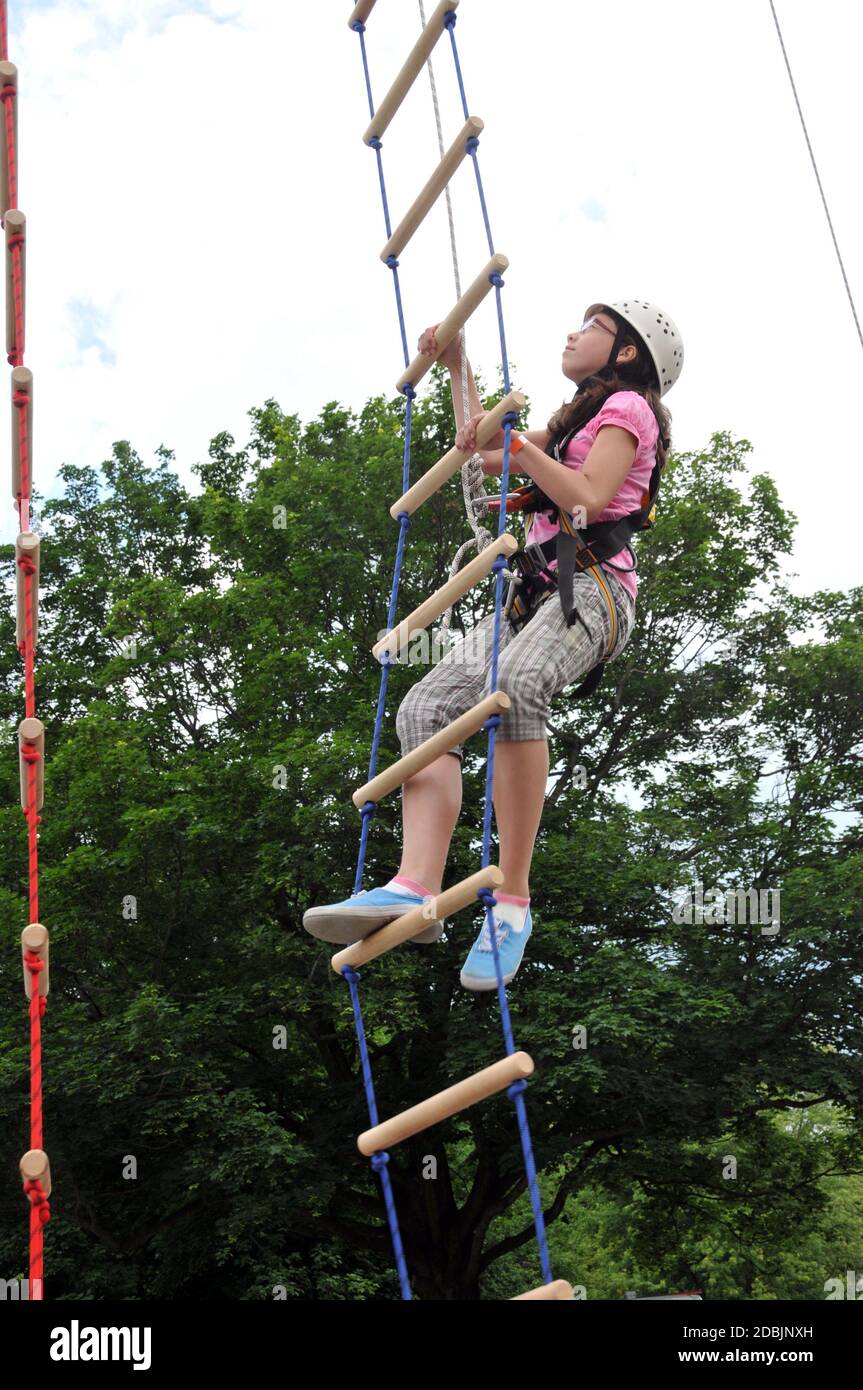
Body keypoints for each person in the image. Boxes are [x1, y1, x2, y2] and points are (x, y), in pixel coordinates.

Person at [304, 299, 684, 990]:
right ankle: (415, 883)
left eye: (590, 329)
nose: (571, 333)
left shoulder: (628, 411)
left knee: (518, 683)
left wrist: (523, 450)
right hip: (532, 597)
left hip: (593, 590)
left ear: (627, 351)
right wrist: (459, 368)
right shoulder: (573, 422)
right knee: (424, 712)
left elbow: (589, 500)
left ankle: (510, 899)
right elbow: (473, 451)